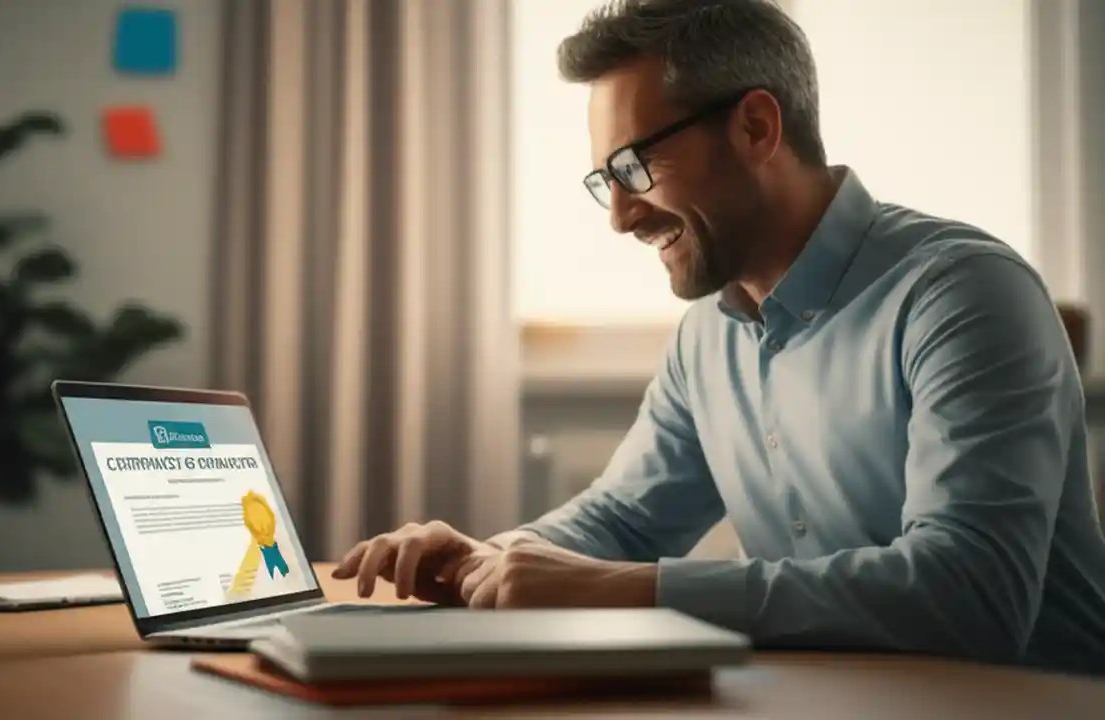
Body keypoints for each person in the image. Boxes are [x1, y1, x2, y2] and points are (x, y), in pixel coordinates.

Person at [332, 0, 1105, 675]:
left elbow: (971, 593)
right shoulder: (708, 337)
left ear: (757, 126)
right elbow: (622, 522)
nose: (621, 216)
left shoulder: (963, 295)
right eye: (607, 179)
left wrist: (632, 592)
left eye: (636, 166)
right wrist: (484, 557)